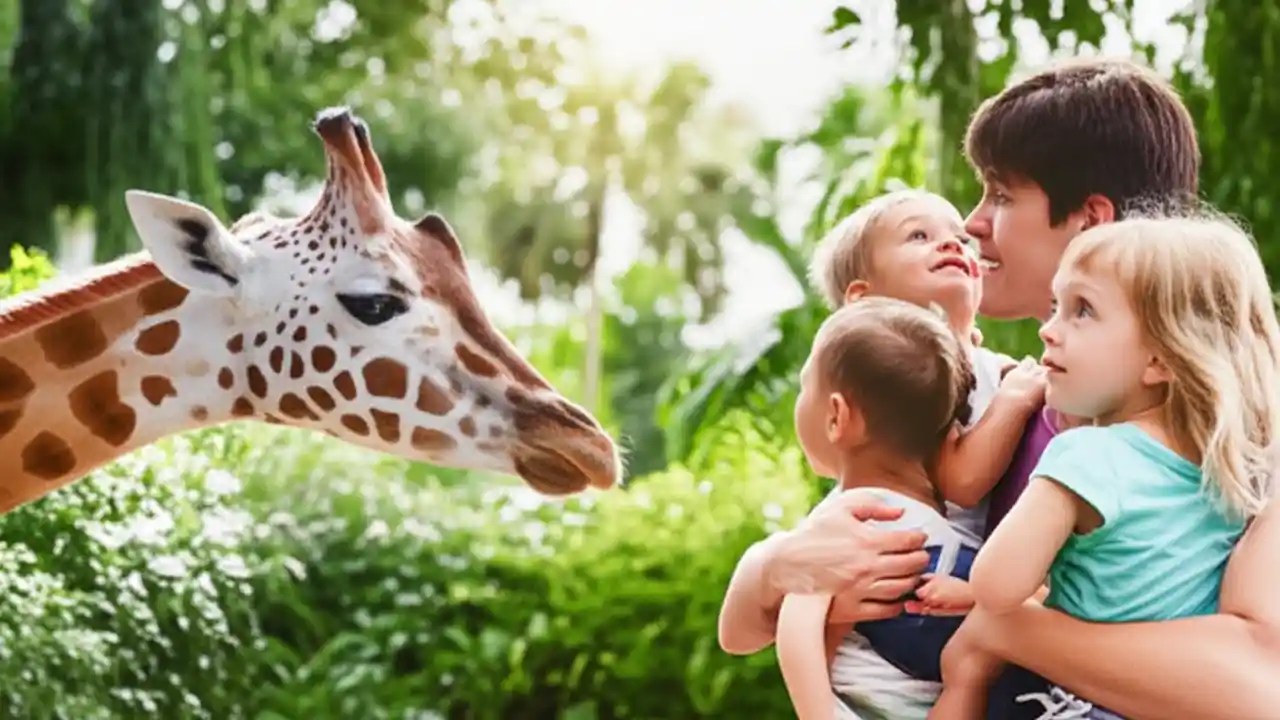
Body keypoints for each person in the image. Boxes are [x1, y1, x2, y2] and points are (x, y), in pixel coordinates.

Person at [717, 57, 1280, 719]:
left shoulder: (1244, 426)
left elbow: (1259, 682)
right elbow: (749, 624)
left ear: (1090, 223)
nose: (973, 223)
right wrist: (779, 563)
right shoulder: (987, 400)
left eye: (1002, 196)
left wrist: (1005, 626)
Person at [933, 215, 1280, 719]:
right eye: (1056, 307)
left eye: (1082, 311)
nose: (1049, 331)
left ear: (1160, 359)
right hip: (1164, 698)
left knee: (961, 660)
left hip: (1070, 703)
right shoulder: (1228, 474)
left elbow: (995, 586)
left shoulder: (1085, 457)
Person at [770, 191, 1046, 719]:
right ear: (864, 301)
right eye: (918, 236)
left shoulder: (1002, 370)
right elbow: (961, 481)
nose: (951, 241)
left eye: (959, 237)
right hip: (898, 646)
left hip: (949, 617)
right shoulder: (859, 504)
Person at [777, 297, 978, 719]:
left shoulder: (850, 516)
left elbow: (798, 617)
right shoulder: (948, 533)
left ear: (836, 416)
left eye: (803, 387)